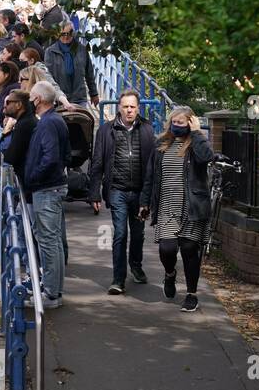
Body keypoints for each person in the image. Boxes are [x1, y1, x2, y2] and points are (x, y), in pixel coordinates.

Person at [141, 106, 213, 312]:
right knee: (167, 249)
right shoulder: (161, 144)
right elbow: (150, 177)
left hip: (192, 207)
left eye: (182, 122)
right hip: (166, 206)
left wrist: (198, 133)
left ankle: (191, 294)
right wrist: (144, 202)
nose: (177, 126)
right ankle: (170, 273)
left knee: (190, 249)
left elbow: (207, 157)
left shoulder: (197, 144)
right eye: (175, 122)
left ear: (190, 123)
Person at [88, 89, 155, 294]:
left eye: (132, 107)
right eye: (125, 106)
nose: (129, 110)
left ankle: (136, 265)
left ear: (138, 108)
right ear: (119, 108)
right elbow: (97, 162)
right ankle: (118, 279)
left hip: (139, 192)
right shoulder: (106, 131)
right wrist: (94, 193)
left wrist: (149, 196)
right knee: (120, 233)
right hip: (117, 189)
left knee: (137, 234)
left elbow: (152, 166)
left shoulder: (147, 129)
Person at [25, 82, 70, 309]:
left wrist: (33, 176)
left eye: (31, 96)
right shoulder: (55, 120)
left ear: (39, 99)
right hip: (50, 187)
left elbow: (51, 157)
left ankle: (52, 293)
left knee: (49, 242)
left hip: (46, 189)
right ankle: (54, 290)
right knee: (53, 242)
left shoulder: (49, 123)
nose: (28, 99)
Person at [43, 21, 99, 109]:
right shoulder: (50, 52)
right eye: (63, 34)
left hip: (79, 97)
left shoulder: (82, 49)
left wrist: (94, 93)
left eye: (69, 33)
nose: (66, 36)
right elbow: (48, 76)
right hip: (59, 99)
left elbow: (89, 73)